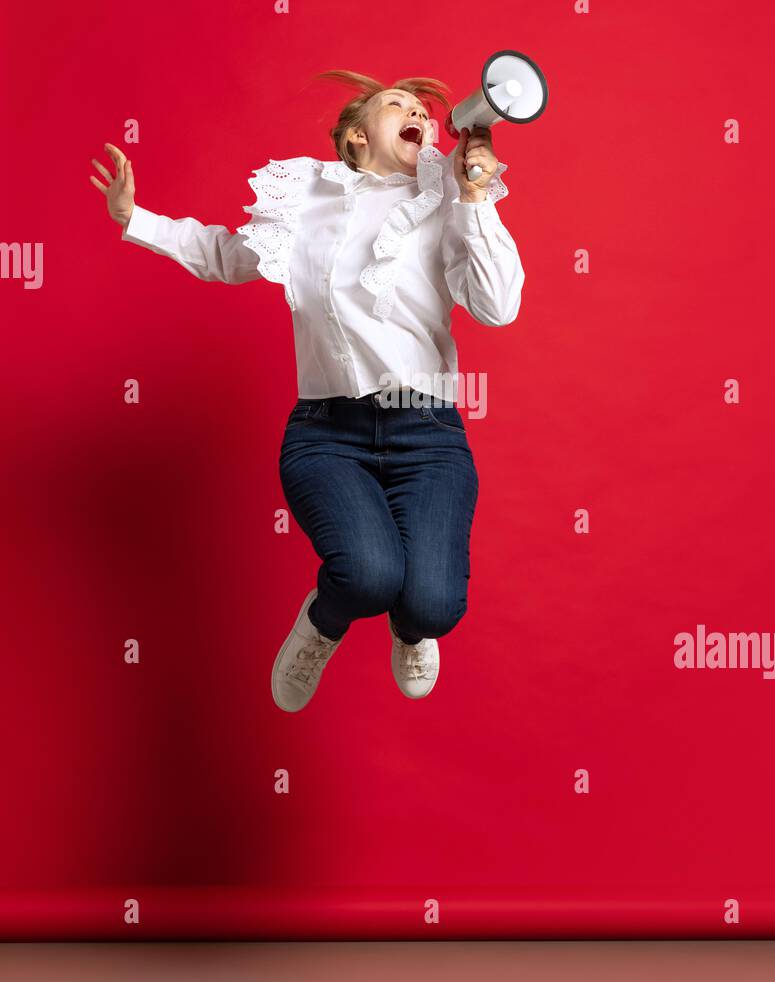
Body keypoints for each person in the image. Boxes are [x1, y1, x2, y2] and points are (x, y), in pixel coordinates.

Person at [90, 70, 525, 712]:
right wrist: (136, 219)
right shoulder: (305, 200)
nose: (417, 113)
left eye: (422, 110)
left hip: (426, 433)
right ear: (356, 137)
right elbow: (224, 255)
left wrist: (475, 198)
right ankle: (322, 623)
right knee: (367, 576)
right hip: (328, 434)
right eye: (395, 105)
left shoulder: (449, 201)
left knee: (433, 603)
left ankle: (412, 629)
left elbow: (498, 306)